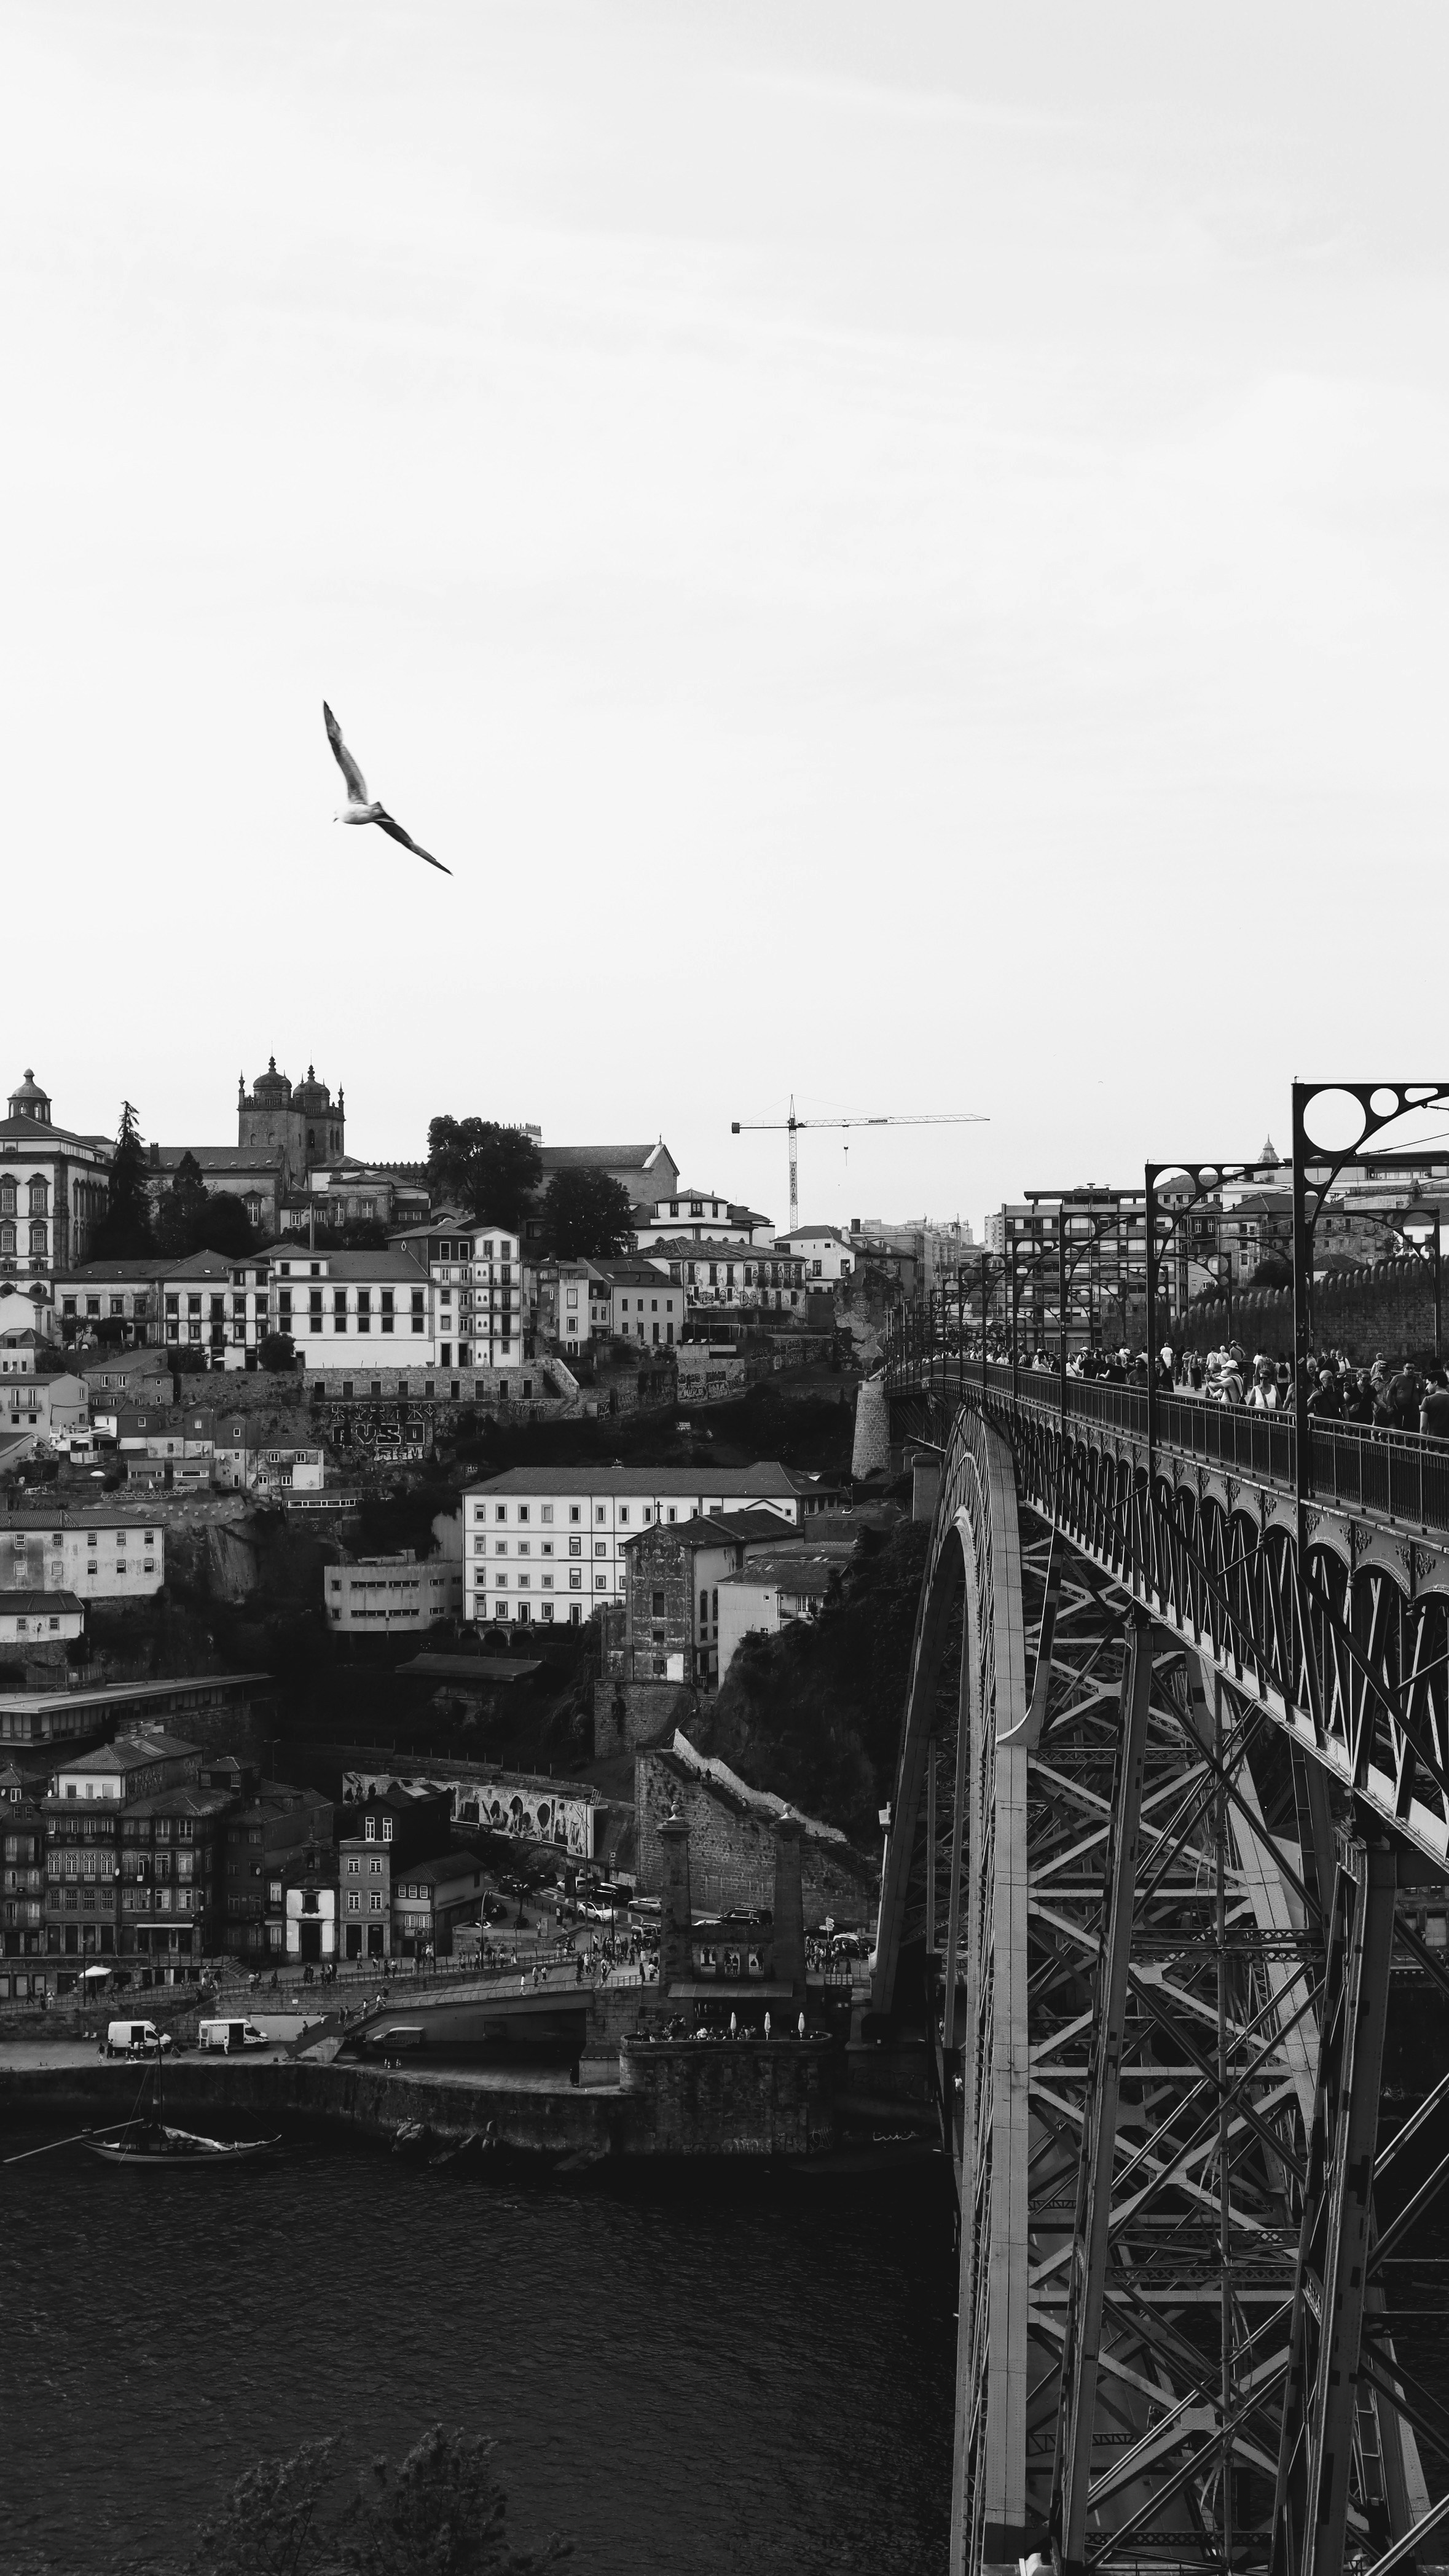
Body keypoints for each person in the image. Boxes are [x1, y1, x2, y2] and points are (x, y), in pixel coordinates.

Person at [1423, 1366, 1449, 1440]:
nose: (1426, 1388)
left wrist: (1422, 1446)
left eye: (1428, 1384)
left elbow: (1423, 1427)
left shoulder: (1428, 1400)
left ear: (1436, 1383)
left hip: (1434, 1443)